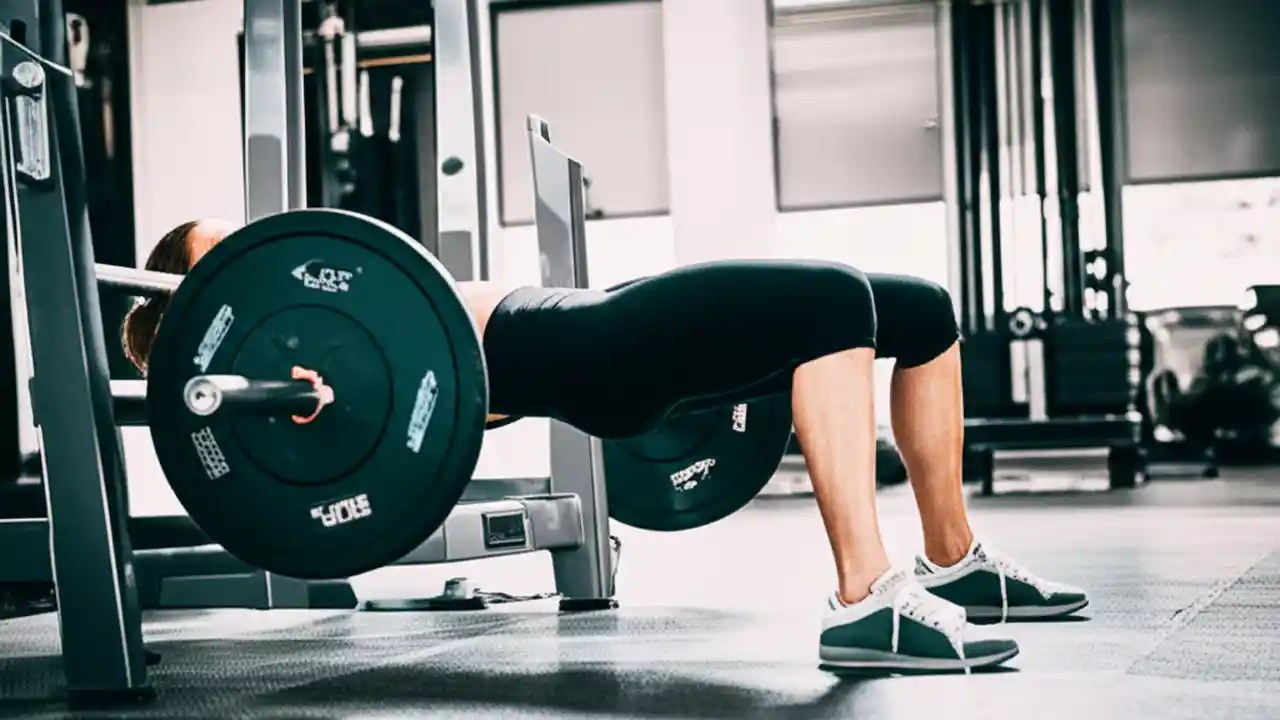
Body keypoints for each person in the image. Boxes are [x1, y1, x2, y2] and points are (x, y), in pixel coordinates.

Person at [123, 218, 1088, 674]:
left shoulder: (344, 304)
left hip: (596, 323)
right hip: (590, 352)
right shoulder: (309, 364)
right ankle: (866, 599)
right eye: (231, 251)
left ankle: (954, 559)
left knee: (919, 311)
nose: (264, 250)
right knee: (830, 297)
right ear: (202, 302)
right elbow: (426, 427)